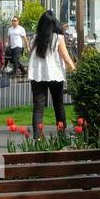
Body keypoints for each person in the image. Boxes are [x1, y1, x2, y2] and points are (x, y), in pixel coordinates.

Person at [27, 10, 74, 138]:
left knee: (38, 107)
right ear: (55, 23)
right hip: (55, 74)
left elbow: (30, 53)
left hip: (38, 74)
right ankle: (61, 134)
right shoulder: (58, 38)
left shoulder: (35, 38)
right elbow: (65, 56)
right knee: (58, 105)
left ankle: (37, 137)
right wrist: (73, 67)